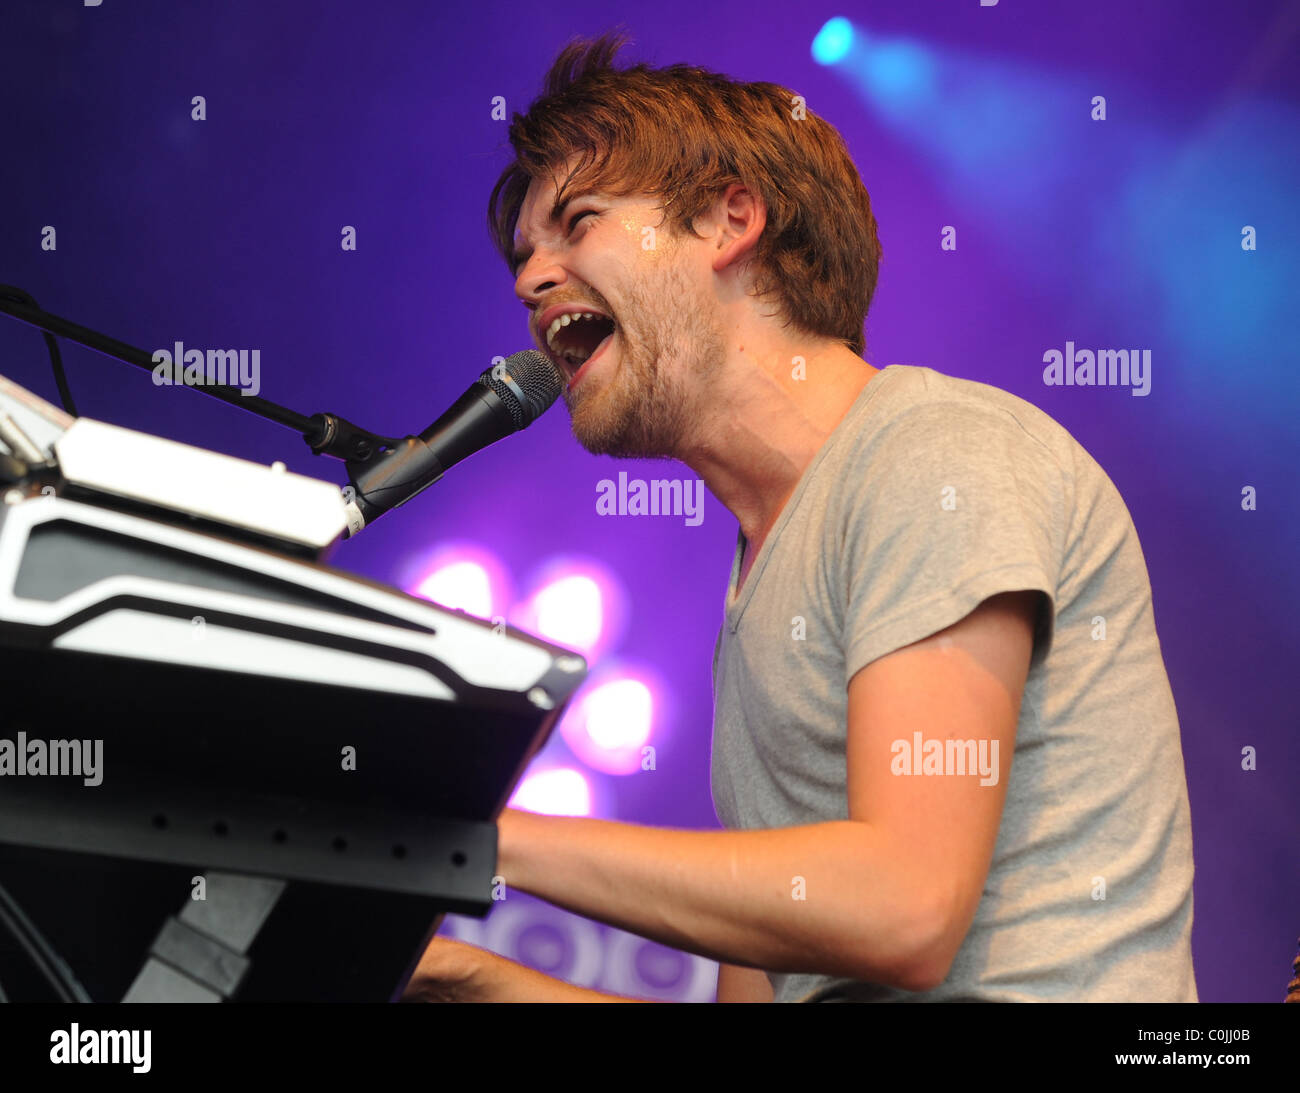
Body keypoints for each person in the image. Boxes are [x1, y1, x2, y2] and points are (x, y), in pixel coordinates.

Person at [402, 31, 1197, 1003]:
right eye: (527, 252)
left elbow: (903, 908)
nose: (530, 280)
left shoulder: (934, 452)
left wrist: (473, 840)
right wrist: (460, 978)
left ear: (728, 219)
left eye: (578, 221)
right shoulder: (759, 581)